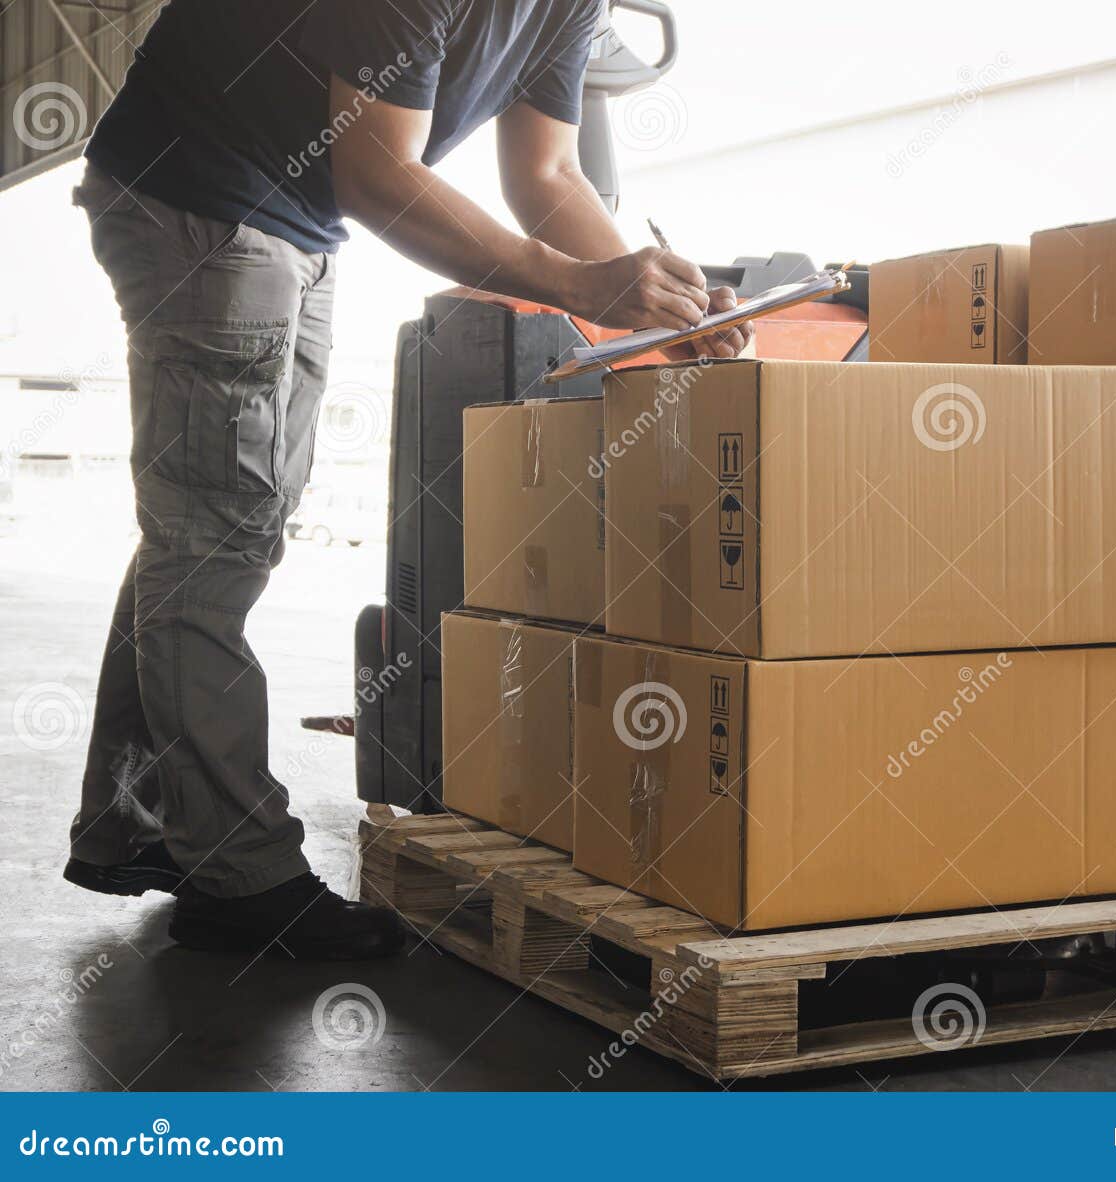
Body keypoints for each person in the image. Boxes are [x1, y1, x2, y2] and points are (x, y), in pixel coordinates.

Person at [61, 0, 749, 960]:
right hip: (199, 193)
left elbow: (547, 174)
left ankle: (140, 820)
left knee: (209, 524)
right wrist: (580, 285)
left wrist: (661, 307)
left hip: (292, 215)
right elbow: (377, 170)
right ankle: (237, 876)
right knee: (217, 534)